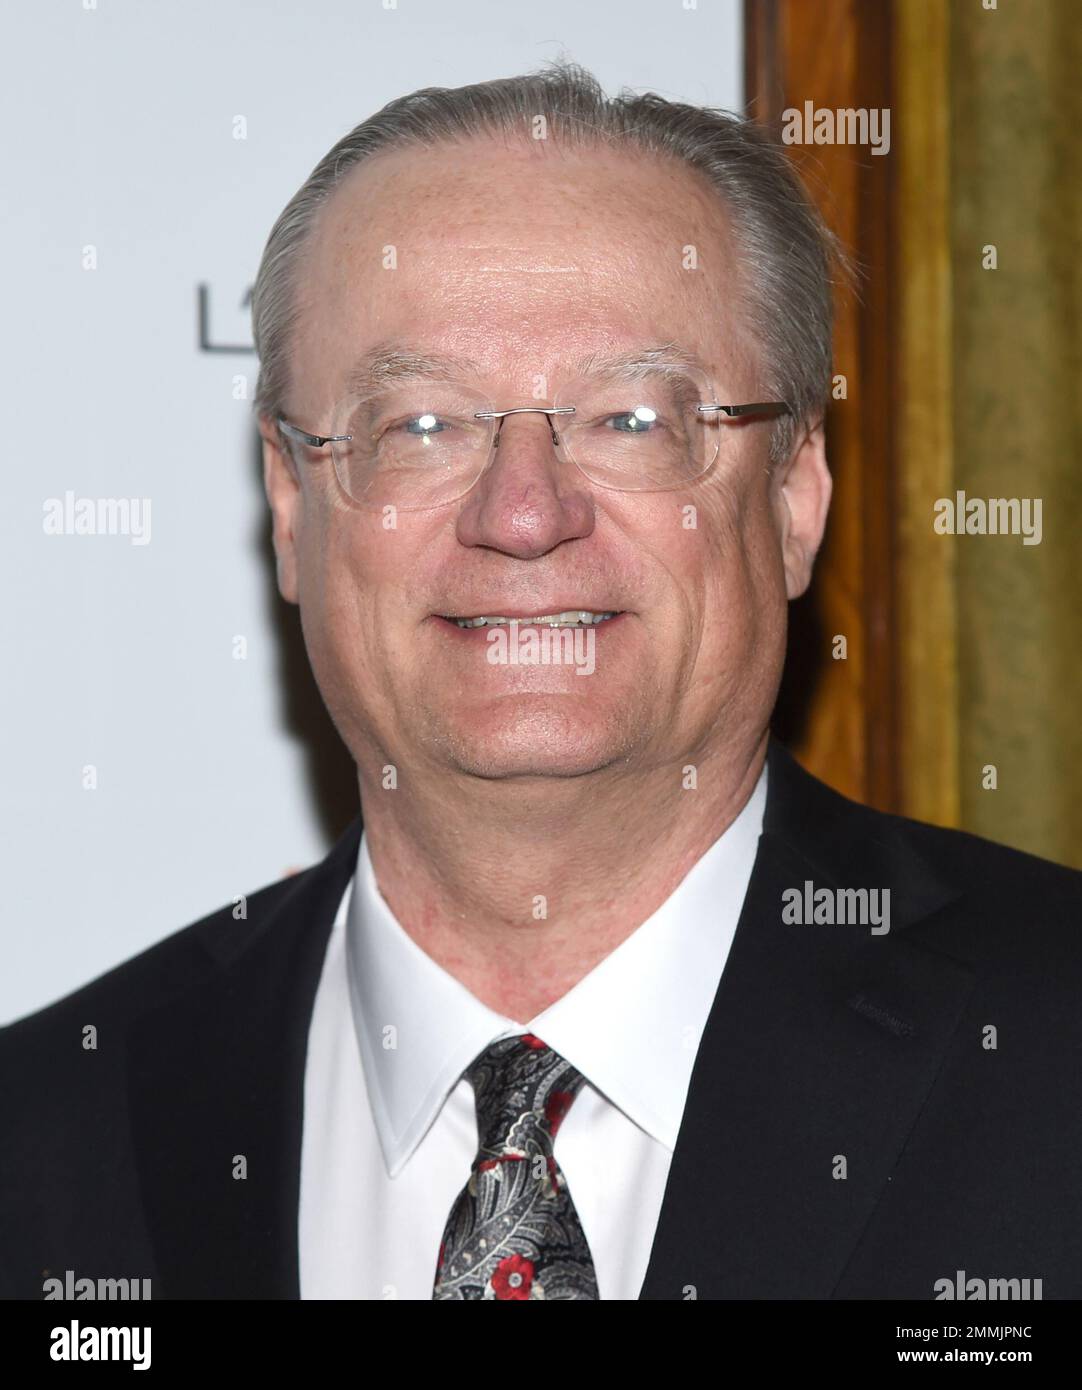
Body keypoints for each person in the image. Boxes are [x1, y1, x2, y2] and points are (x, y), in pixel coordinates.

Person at [2, 63, 1080, 1302]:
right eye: (418, 424)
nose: (522, 512)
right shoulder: (45, 1144)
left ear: (791, 496)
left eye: (631, 417)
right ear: (291, 507)